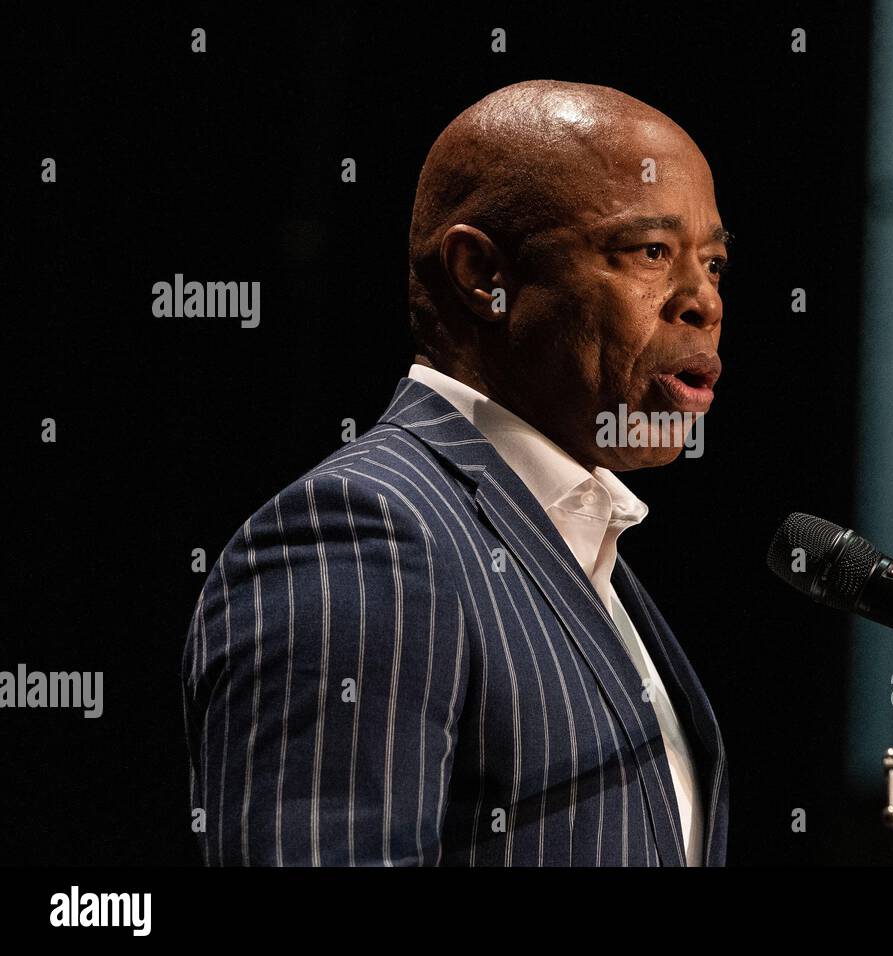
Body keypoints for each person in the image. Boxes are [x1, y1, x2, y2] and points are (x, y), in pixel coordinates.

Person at [181, 79, 730, 866]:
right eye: (649, 252)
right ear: (483, 275)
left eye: (712, 264)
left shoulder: (581, 542)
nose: (701, 301)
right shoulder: (362, 536)